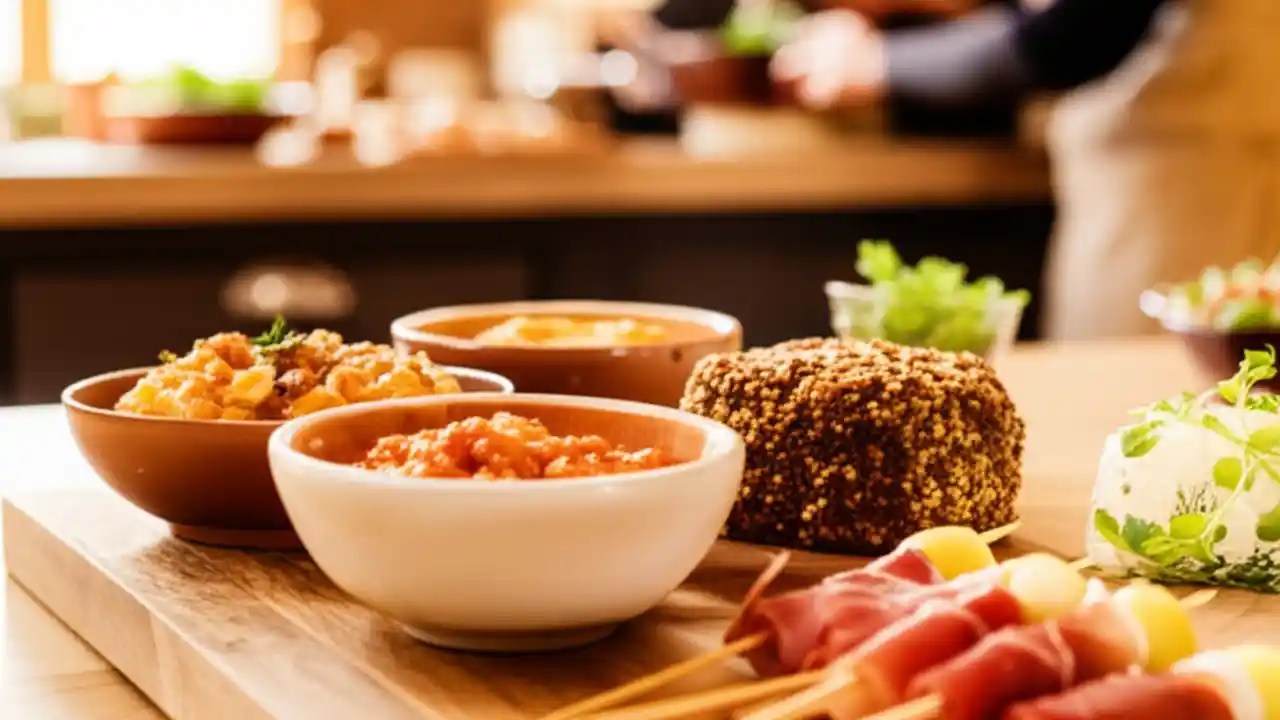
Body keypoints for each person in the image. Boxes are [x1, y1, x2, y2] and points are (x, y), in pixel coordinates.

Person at [605, 0, 1280, 339]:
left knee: (1168, 413)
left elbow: (1079, 32)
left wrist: (884, 65)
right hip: (1154, 177)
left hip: (1195, 190)